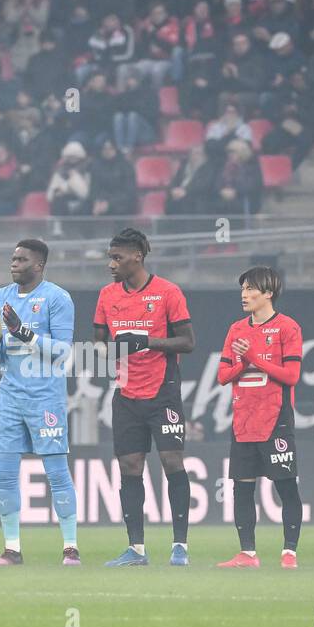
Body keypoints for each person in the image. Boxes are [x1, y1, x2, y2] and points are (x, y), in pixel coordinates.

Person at [94, 228, 196, 567]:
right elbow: (97, 343)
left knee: (172, 463)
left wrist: (146, 340)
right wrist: (109, 350)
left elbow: (188, 342)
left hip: (162, 391)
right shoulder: (107, 295)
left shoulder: (168, 292)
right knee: (129, 466)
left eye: (117, 257)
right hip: (125, 393)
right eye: (110, 257)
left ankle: (179, 546)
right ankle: (136, 549)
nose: (111, 264)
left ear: (137, 256)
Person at [0, 239, 78, 566]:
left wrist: (23, 333)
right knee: (5, 474)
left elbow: (63, 352)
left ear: (39, 265)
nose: (14, 263)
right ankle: (12, 550)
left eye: (21, 259)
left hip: (45, 397)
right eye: (12, 258)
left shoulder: (57, 298)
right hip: (9, 397)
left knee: (56, 473)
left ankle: (70, 548)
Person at [215, 267, 304, 569]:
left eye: (251, 288)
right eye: (242, 289)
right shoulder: (236, 329)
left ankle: (289, 552)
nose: (244, 294)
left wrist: (254, 358)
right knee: (242, 487)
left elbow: (291, 376)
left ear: (268, 293)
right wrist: (243, 363)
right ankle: (247, 553)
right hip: (243, 419)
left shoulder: (287, 328)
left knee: (286, 485)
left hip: (276, 418)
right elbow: (223, 376)